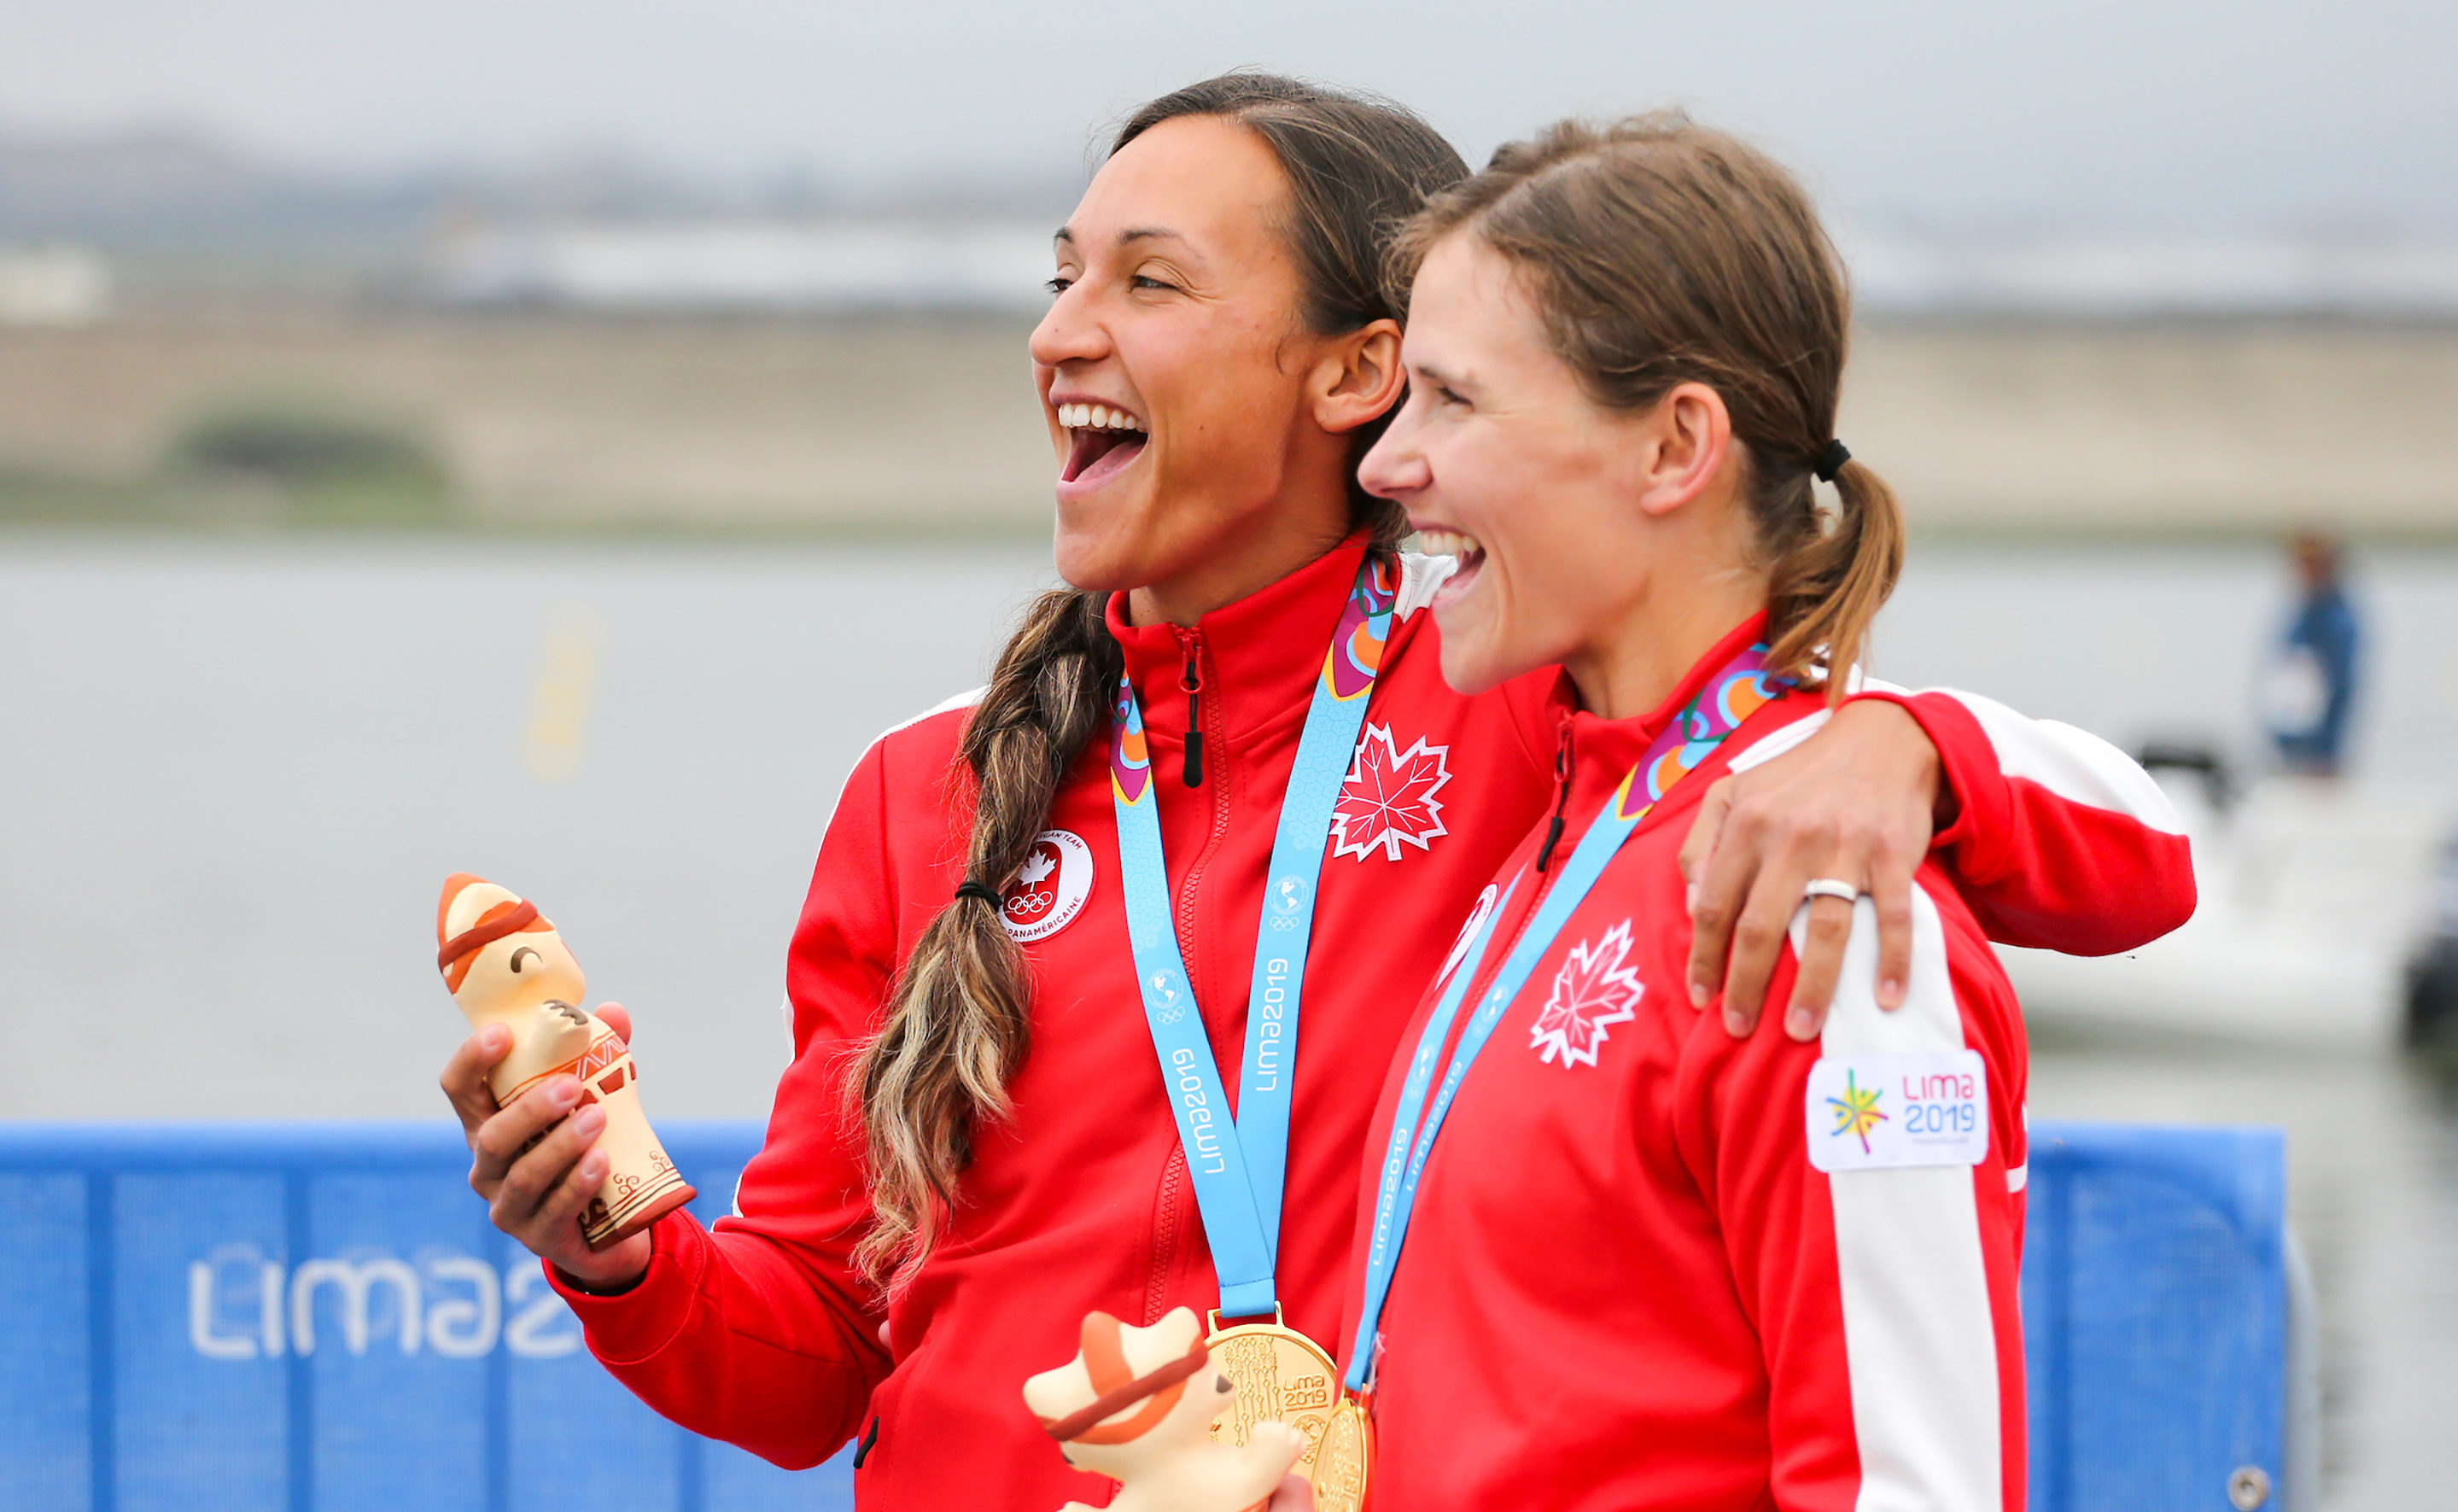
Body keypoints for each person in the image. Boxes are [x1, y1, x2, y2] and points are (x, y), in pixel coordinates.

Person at [436, 78, 2192, 1510]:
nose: (1057, 333)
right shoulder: (928, 790)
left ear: (1356, 371)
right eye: (1059, 276)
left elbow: (2135, 852)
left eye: (1146, 283)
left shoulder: (1514, 696)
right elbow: (814, 1358)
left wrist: (1911, 745)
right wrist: (616, 1249)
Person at [1334, 115, 2149, 1509]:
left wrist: (1920, 741)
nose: (1384, 463)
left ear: (1672, 447)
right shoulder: (1575, 822)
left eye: (1452, 401)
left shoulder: (1817, 908)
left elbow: (1903, 1486)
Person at [2266, 529, 2360, 776]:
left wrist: (2324, 754)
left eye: (2311, 563)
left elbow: (2340, 690)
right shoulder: (2300, 615)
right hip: (2287, 748)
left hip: (2320, 756)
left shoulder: (2336, 622)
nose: (2301, 571)